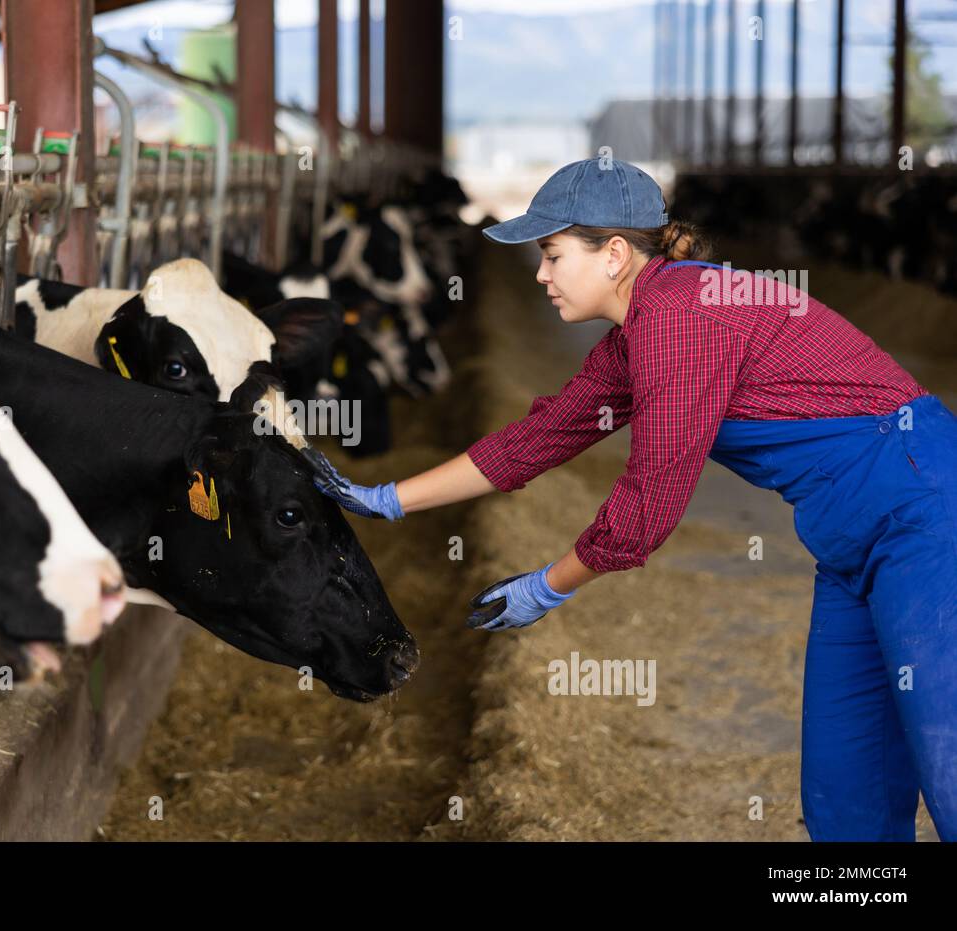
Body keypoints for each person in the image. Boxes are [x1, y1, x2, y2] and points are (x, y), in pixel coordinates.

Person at [310, 156, 957, 842]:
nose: (541, 275)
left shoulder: (681, 315)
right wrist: (385, 497)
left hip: (925, 514)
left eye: (553, 255)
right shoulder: (639, 333)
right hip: (851, 542)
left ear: (615, 254)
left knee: (946, 759)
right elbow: (537, 438)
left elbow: (652, 499)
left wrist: (548, 585)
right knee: (844, 789)